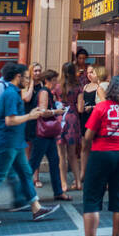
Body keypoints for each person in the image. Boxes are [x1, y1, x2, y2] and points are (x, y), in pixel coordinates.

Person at [0, 63, 59, 227]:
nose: (27, 80)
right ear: (18, 77)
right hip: (9, 141)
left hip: (14, 142)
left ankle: (36, 208)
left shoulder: (12, 92)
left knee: (25, 174)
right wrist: (30, 116)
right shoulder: (10, 94)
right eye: (26, 77)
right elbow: (10, 120)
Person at [70, 74, 119, 236]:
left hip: (101, 153)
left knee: (92, 200)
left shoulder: (101, 108)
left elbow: (88, 136)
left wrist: (84, 158)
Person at [29, 68, 70, 201]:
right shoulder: (44, 92)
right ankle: (22, 192)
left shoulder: (46, 92)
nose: (55, 83)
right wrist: (56, 112)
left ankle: (58, 191)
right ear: (47, 80)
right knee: (34, 162)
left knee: (54, 161)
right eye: (53, 80)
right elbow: (42, 111)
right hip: (42, 134)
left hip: (47, 133)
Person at [57, 61, 83, 191]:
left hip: (61, 118)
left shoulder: (57, 87)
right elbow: (80, 108)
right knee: (72, 154)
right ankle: (78, 182)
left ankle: (64, 184)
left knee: (61, 156)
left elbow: (55, 104)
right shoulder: (78, 87)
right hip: (72, 118)